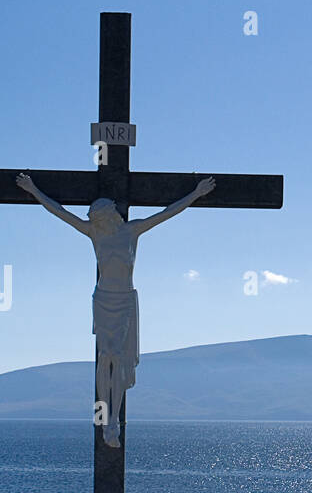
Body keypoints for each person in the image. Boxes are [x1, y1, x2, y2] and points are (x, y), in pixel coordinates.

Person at [14, 172, 216, 446]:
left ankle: (113, 423)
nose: (111, 216)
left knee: (119, 361)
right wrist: (33, 190)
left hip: (124, 300)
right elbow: (59, 211)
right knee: (105, 355)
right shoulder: (94, 233)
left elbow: (167, 213)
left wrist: (196, 194)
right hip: (104, 299)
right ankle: (104, 415)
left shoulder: (132, 231)